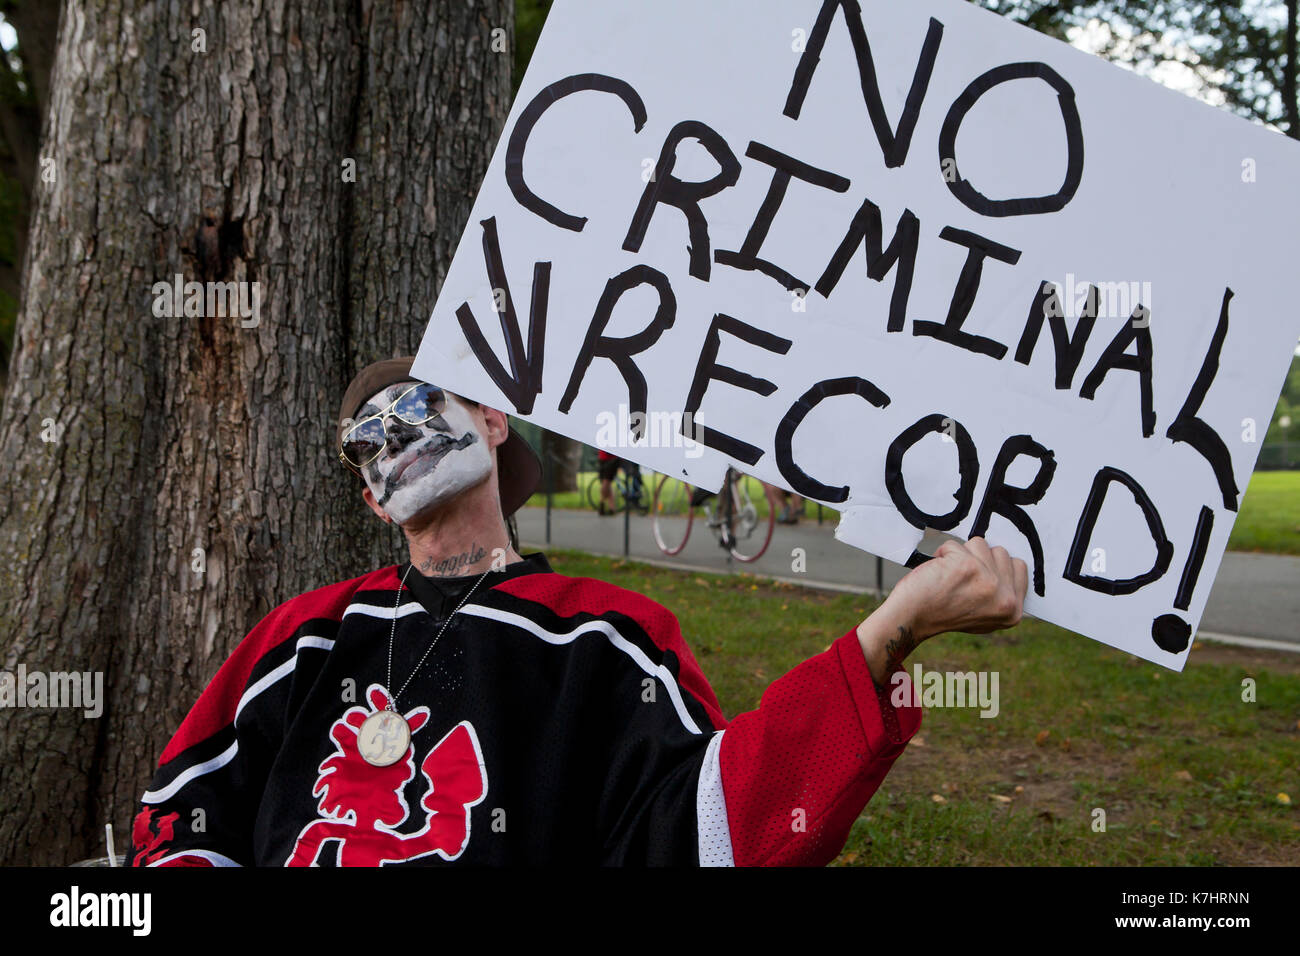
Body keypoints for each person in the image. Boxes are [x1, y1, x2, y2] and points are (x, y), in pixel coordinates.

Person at [127, 356, 1027, 867]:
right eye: (367, 447)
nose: (391, 445)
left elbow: (707, 827)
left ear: (490, 421)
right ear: (369, 502)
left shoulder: (608, 636)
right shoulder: (304, 636)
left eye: (411, 412)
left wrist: (889, 633)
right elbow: (180, 814)